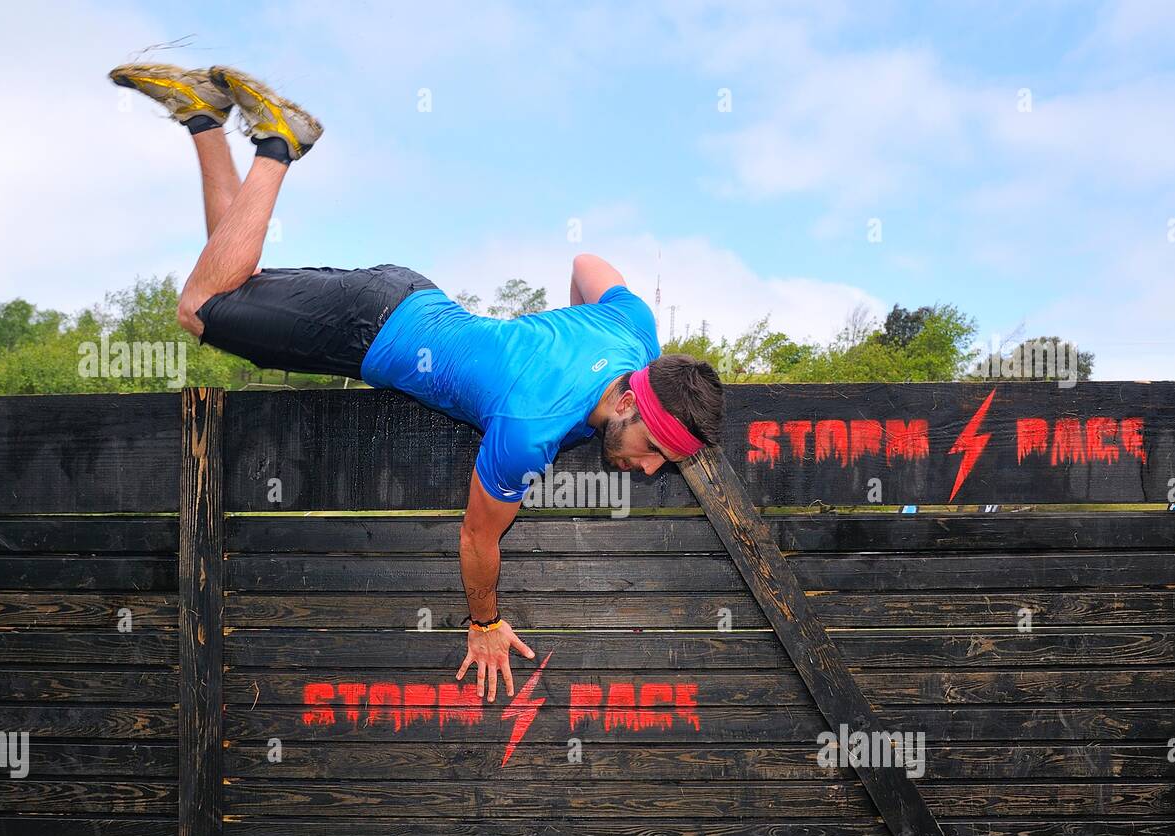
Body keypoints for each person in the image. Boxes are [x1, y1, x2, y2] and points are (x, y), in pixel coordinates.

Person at [110, 63, 725, 701]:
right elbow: (477, 536)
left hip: (406, 296)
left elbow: (586, 262)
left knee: (230, 270)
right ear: (629, 398)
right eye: (655, 447)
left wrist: (561, 330)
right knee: (200, 307)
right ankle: (278, 143)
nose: (651, 469)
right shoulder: (531, 424)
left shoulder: (637, 333)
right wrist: (484, 622)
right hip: (365, 328)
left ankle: (202, 117)